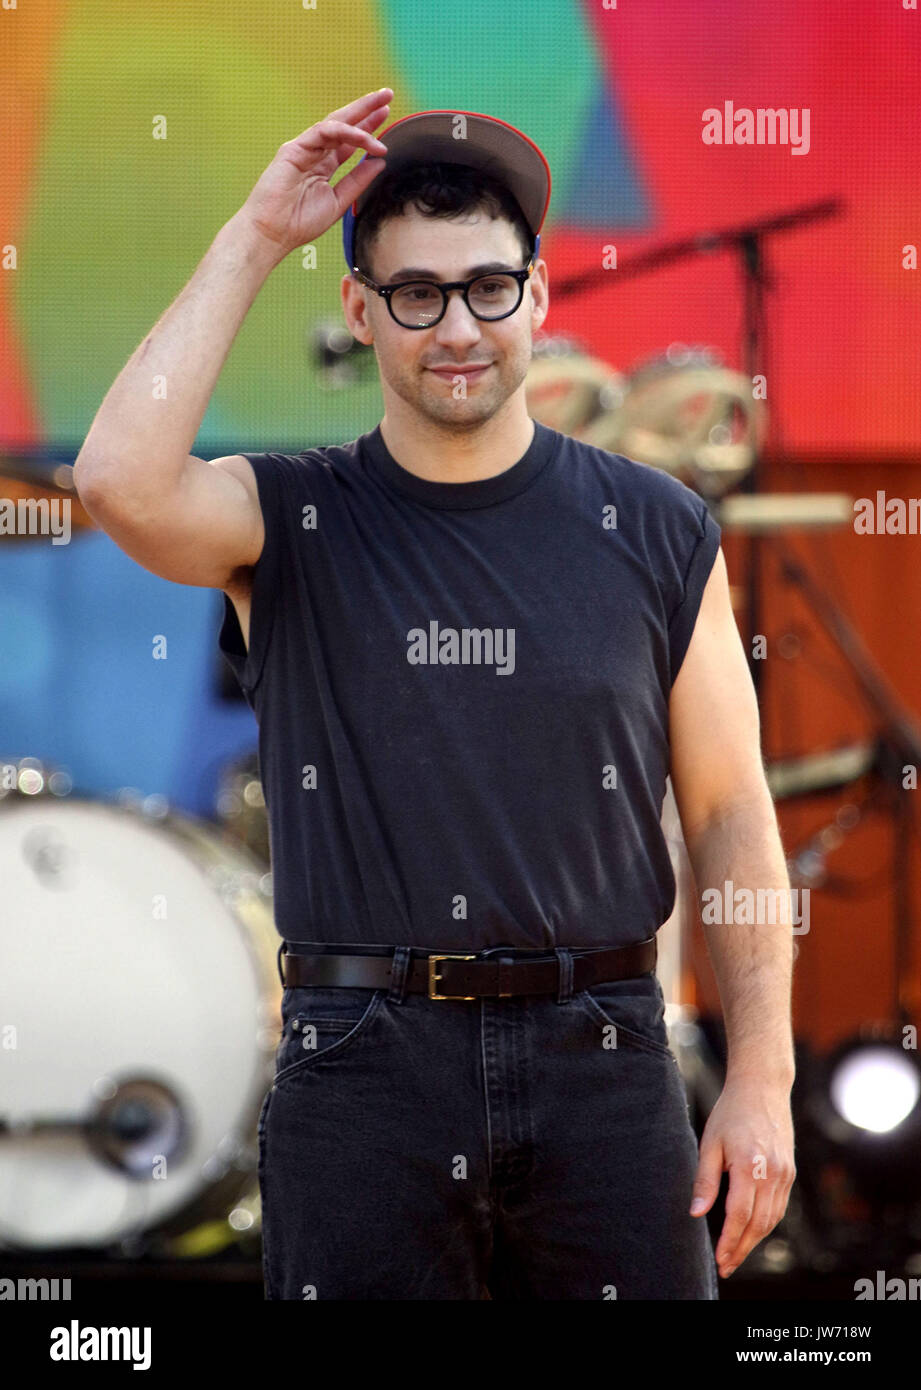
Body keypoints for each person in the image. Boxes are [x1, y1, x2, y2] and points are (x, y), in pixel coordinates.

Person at [74, 90, 796, 1300]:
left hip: (606, 1057)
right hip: (363, 1073)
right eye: (417, 294)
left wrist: (763, 1072)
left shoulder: (660, 526)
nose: (458, 325)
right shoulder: (291, 513)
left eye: (487, 286)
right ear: (361, 312)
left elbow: (730, 809)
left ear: (539, 294)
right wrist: (257, 234)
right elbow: (117, 482)